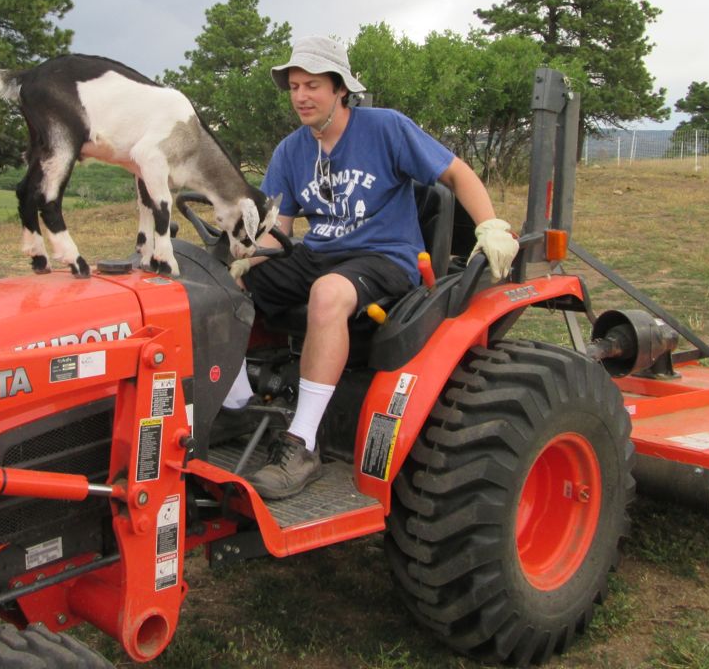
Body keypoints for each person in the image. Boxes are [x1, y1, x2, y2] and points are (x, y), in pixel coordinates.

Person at [219, 35, 519, 500]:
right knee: (220, 286)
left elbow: (456, 173)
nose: (300, 96)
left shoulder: (385, 129)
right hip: (319, 252)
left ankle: (302, 443)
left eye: (312, 85)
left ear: (341, 89)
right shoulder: (290, 151)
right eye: (295, 86)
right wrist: (243, 261)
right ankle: (234, 403)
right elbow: (277, 227)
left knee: (327, 293)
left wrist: (491, 226)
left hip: (387, 256)